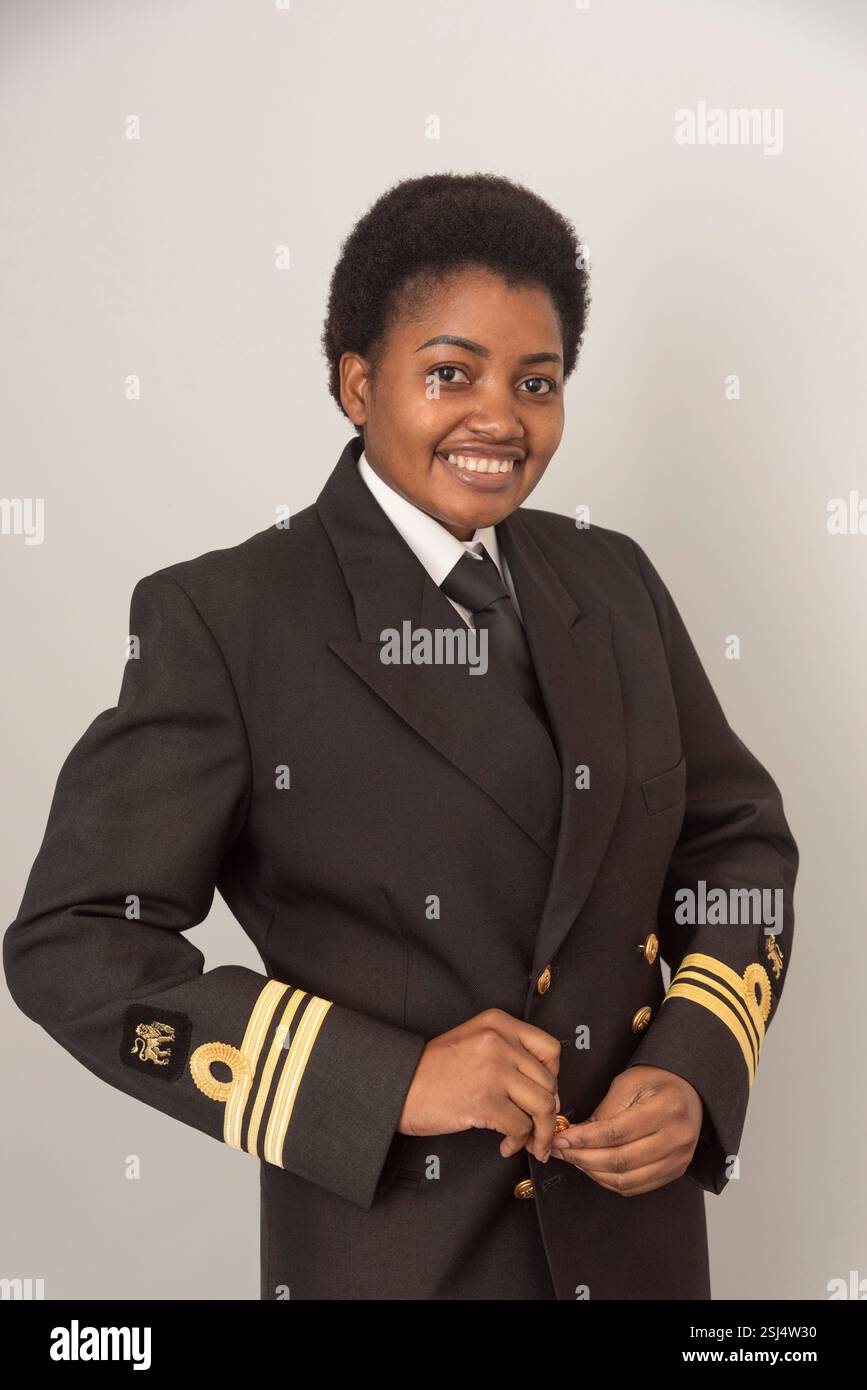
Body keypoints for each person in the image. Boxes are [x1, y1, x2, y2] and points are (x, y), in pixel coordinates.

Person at [3, 172, 798, 1300]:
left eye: (538, 382)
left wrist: (695, 1063)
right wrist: (387, 1080)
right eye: (449, 374)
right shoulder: (228, 619)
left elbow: (738, 851)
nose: (501, 419)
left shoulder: (613, 582)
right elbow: (71, 942)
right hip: (397, 1259)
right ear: (357, 382)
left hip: (638, 1254)